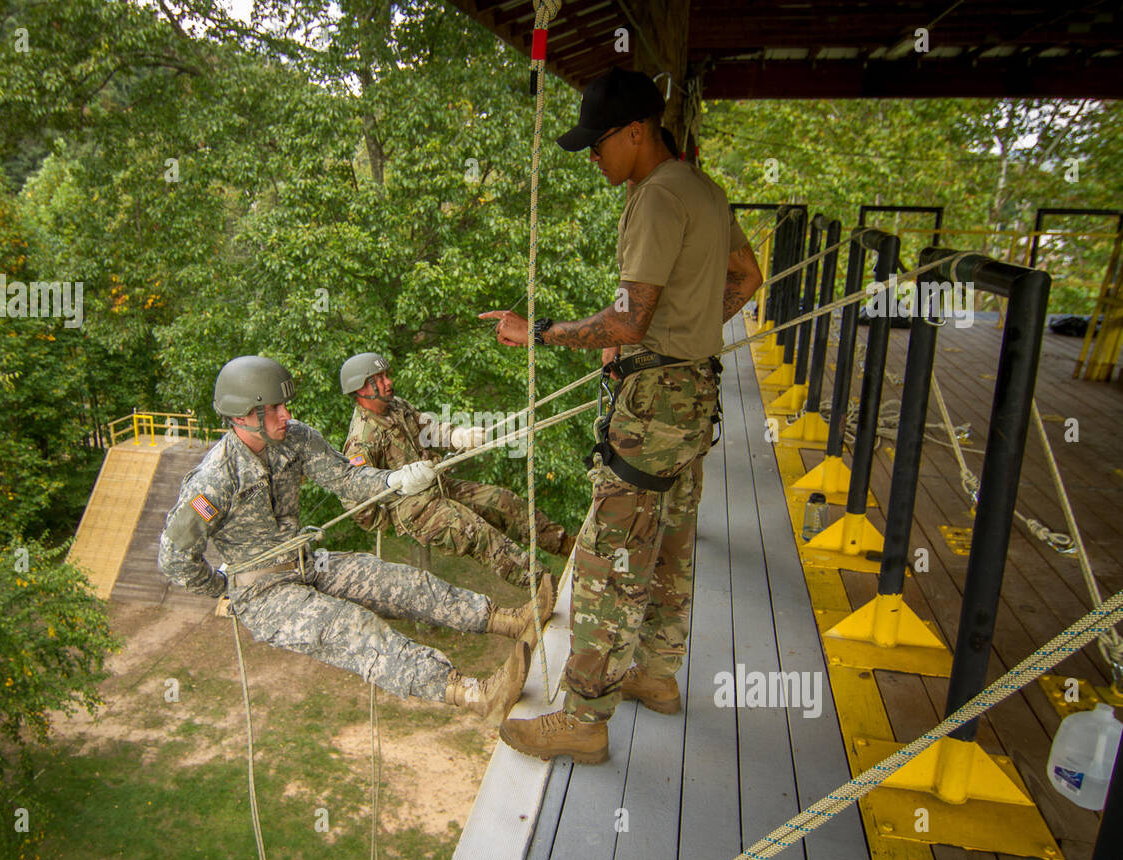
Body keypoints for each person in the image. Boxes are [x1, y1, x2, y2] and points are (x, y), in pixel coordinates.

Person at [481, 68, 763, 763]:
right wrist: (690, 337)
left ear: (636, 132)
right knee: (670, 539)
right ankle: (657, 675)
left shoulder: (656, 198)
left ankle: (583, 717)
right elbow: (746, 279)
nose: (594, 157)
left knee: (610, 556)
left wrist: (538, 330)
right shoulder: (704, 190)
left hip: (654, 409)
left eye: (600, 143)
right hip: (696, 397)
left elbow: (629, 321)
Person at [157, 355, 553, 723]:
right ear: (245, 415)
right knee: (355, 630)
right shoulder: (215, 480)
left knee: (403, 583)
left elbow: (344, 477)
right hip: (264, 595)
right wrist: (220, 586)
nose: (286, 414)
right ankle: (477, 694)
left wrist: (391, 480)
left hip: (309, 564)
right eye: (274, 408)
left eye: (283, 405)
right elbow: (174, 557)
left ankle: (511, 622)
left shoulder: (295, 439)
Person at [339, 352, 571, 591]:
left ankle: (564, 544)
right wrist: (390, 516)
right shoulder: (361, 439)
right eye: (379, 379)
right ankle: (546, 587)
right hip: (415, 510)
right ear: (361, 388)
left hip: (439, 487)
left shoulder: (397, 407)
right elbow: (353, 498)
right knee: (480, 535)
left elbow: (427, 428)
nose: (388, 382)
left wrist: (457, 436)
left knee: (503, 501)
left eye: (386, 375)